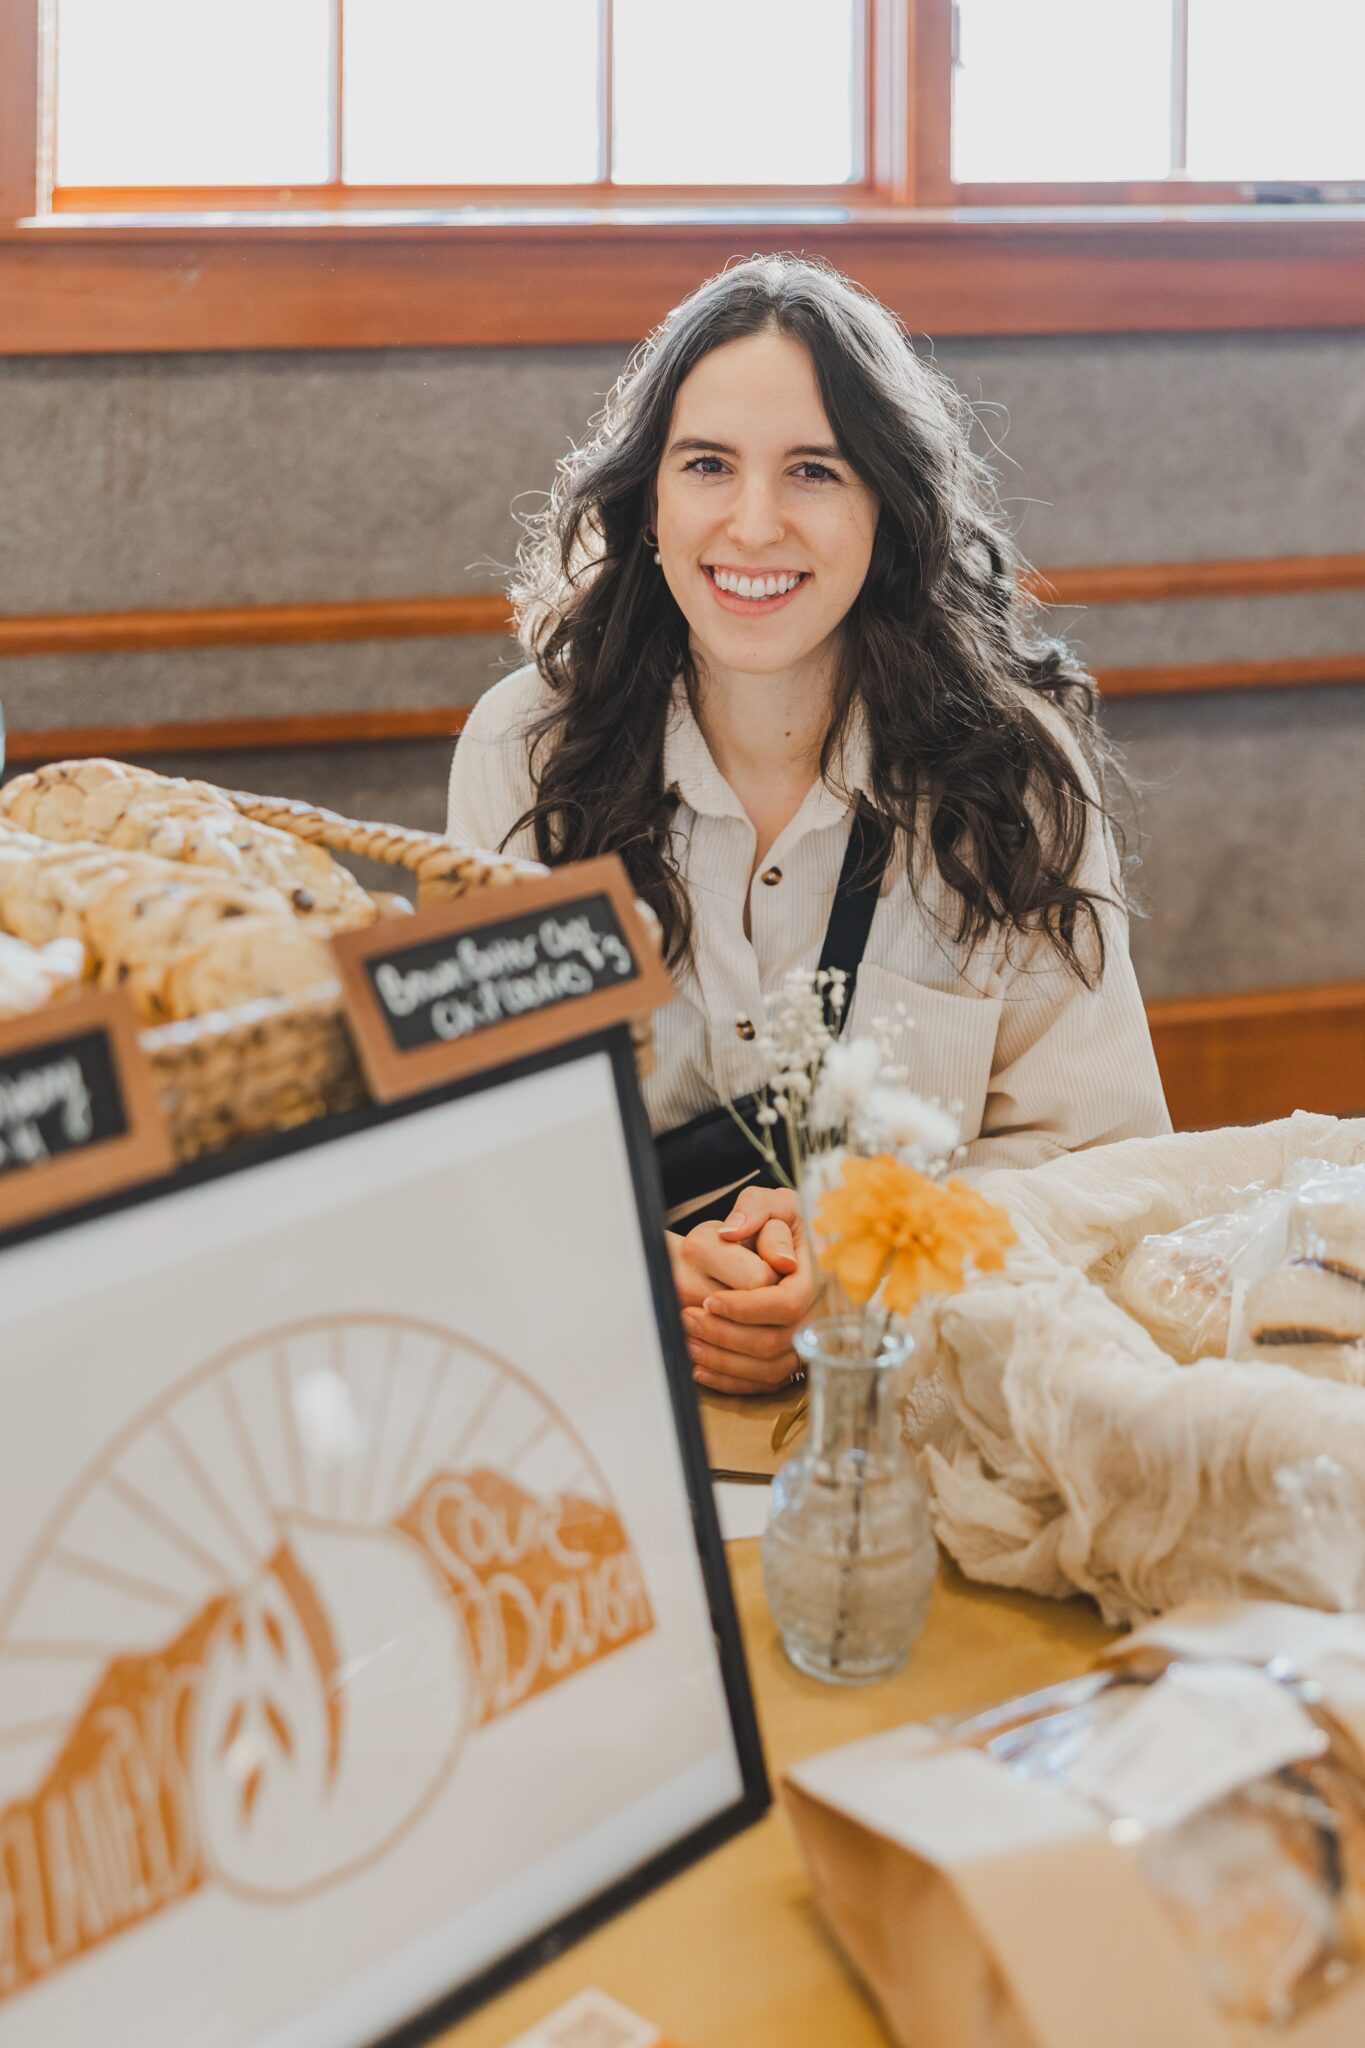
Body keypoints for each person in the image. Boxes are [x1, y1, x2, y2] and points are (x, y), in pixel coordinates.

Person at [447, 255, 1170, 1396]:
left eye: (815, 472)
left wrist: (866, 1253)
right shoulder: (523, 752)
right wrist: (636, 1260)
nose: (754, 522)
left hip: (921, 1393)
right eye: (707, 465)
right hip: (610, 1377)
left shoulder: (1013, 774)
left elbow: (1111, 1169)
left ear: (887, 509)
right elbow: (484, 1140)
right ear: (647, 503)